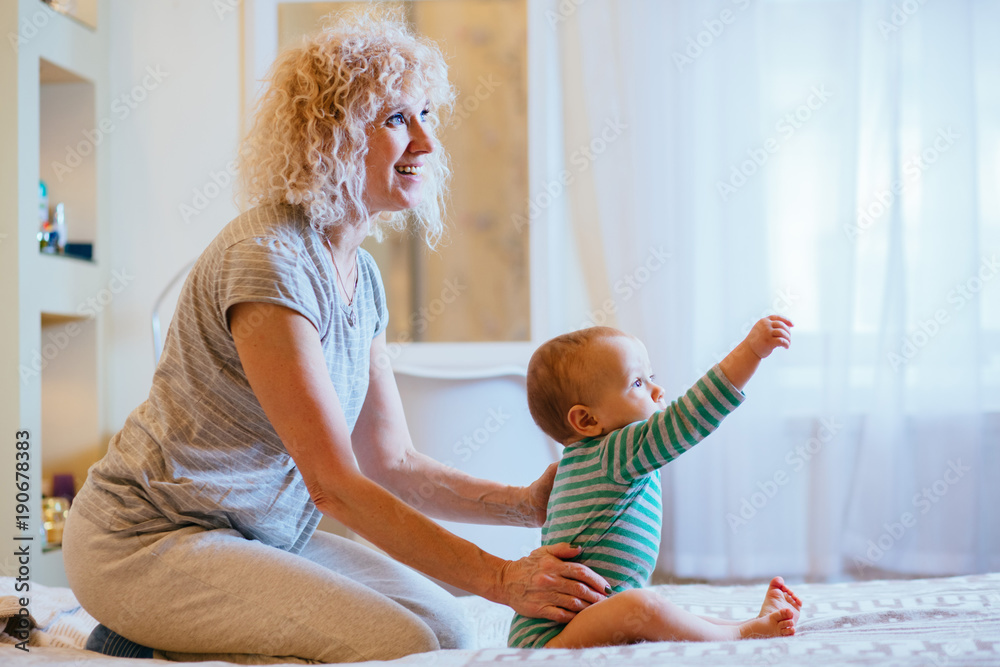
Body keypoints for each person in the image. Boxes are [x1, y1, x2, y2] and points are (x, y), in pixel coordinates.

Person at [62, 9, 611, 664]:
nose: (428, 144)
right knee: (399, 644)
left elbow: (391, 461)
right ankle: (143, 625)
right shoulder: (268, 258)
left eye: (427, 115)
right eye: (397, 119)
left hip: (261, 536)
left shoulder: (363, 274)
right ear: (330, 135)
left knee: (450, 629)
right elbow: (336, 485)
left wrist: (524, 505)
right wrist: (501, 577)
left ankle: (154, 630)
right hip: (147, 538)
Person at [508, 317, 804, 648]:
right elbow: (690, 416)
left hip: (584, 618)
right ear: (588, 419)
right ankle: (740, 634)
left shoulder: (588, 460)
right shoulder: (614, 452)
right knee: (642, 606)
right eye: (637, 383)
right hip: (548, 638)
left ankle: (753, 625)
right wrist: (751, 351)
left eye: (651, 377)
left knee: (664, 611)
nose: (657, 390)